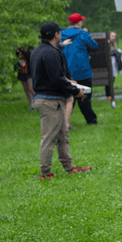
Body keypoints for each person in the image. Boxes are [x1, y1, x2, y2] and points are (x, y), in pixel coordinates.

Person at [30, 22, 91, 179]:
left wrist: (71, 84)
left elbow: (52, 76)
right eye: (59, 32)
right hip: (49, 101)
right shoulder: (50, 53)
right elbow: (57, 80)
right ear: (55, 34)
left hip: (50, 98)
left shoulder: (39, 50)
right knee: (49, 138)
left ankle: (69, 167)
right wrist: (75, 90)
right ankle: (45, 173)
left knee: (63, 135)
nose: (61, 35)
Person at [60, 13, 99, 126]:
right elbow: (94, 46)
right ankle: (91, 120)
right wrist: (87, 34)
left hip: (66, 73)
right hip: (83, 71)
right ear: (79, 23)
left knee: (68, 98)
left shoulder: (61, 34)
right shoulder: (83, 34)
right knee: (85, 97)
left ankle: (64, 121)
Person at [104, 32, 122, 108]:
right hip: (109, 63)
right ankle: (108, 94)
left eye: (114, 36)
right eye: (112, 36)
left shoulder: (114, 44)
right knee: (109, 79)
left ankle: (110, 93)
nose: (114, 37)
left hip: (113, 63)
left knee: (112, 78)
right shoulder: (107, 44)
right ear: (109, 37)